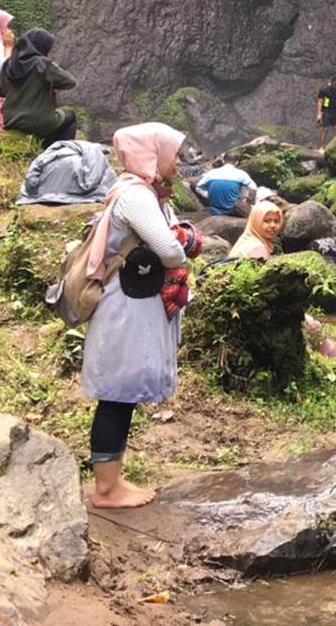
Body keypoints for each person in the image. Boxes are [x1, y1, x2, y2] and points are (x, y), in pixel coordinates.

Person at [81, 123, 202, 508]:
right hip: (125, 308)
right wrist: (186, 241)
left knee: (123, 392)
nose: (179, 162)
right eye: (174, 153)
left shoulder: (146, 193)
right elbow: (169, 250)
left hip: (132, 304)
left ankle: (112, 478)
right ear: (152, 153)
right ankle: (105, 489)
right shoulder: (136, 196)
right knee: (117, 393)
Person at [0, 28, 77, 148]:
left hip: (11, 120)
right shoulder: (42, 64)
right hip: (38, 121)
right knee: (70, 117)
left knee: (54, 120)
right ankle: (60, 153)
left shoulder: (10, 64)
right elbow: (70, 82)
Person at [315, 77, 336, 148]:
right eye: (334, 85)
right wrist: (319, 114)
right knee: (325, 128)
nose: (335, 86)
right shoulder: (324, 90)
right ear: (330, 83)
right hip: (326, 110)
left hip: (335, 110)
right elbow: (320, 102)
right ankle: (321, 146)